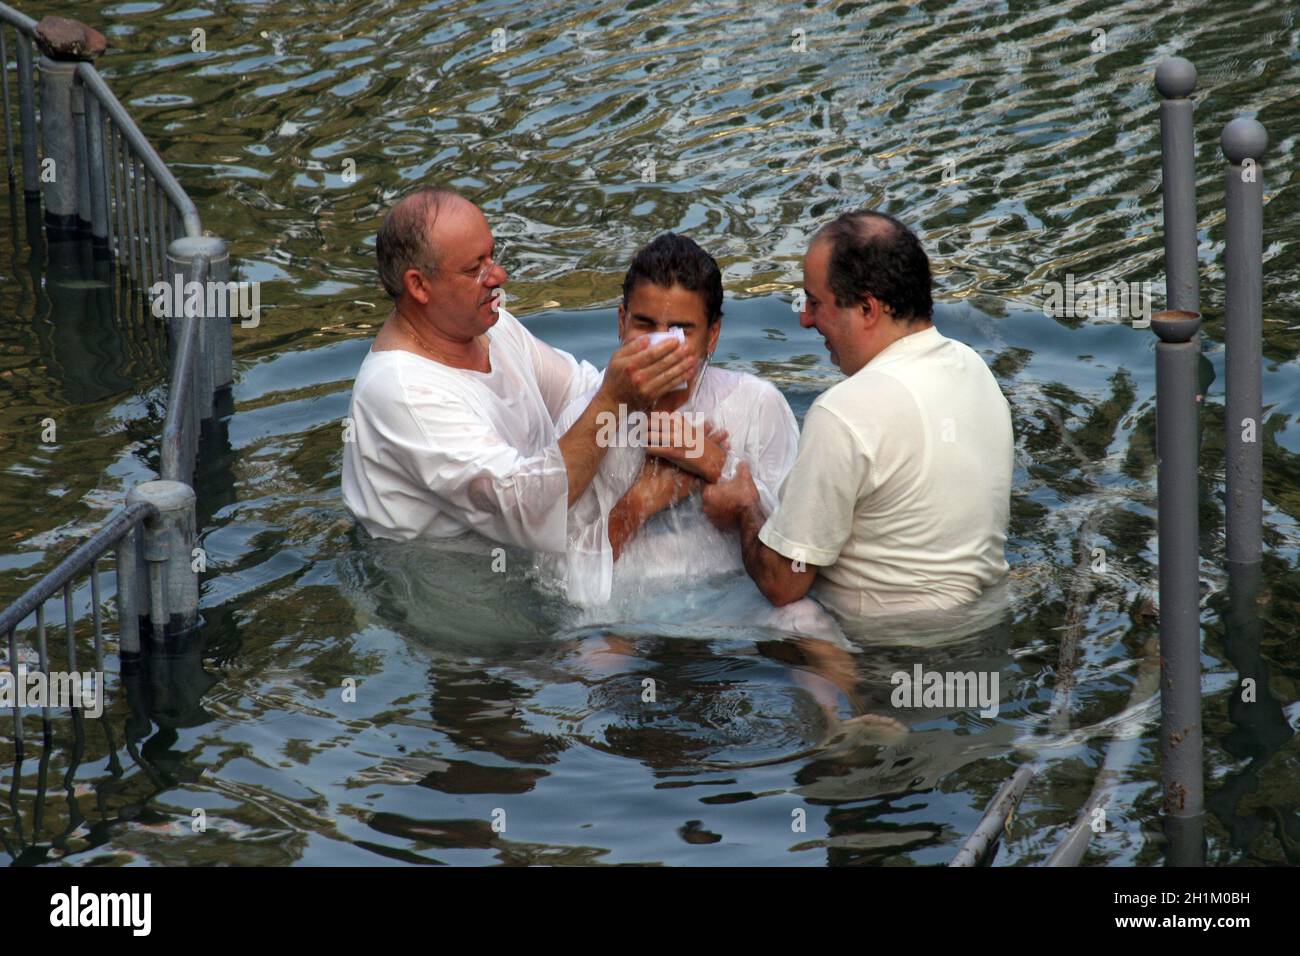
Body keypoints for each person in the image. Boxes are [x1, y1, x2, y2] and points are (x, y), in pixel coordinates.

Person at [341, 187, 696, 552]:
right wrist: (615, 403)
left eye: (492, 256)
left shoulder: (493, 327)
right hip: (450, 592)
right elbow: (529, 511)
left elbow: (580, 393)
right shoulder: (402, 392)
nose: (499, 275)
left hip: (526, 558)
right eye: (474, 268)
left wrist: (682, 427)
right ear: (418, 285)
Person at [701, 209, 1014, 617]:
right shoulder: (975, 370)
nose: (804, 319)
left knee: (791, 618)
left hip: (884, 653)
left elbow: (782, 583)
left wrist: (744, 506)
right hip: (982, 628)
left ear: (868, 309)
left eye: (815, 303)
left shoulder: (846, 410)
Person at [547, 233, 799, 607]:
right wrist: (639, 503)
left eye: (680, 330)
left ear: (712, 336)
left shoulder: (758, 406)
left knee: (807, 624)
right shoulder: (586, 420)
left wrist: (714, 463)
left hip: (733, 604)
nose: (661, 346)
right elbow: (561, 582)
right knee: (594, 663)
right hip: (626, 617)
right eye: (645, 326)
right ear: (621, 321)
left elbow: (797, 561)